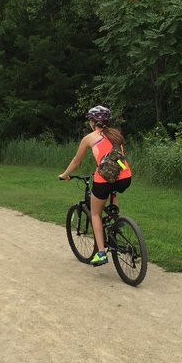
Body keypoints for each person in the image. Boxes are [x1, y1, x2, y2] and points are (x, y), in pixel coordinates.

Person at [59, 105, 132, 266]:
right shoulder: (116, 135)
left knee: (95, 214)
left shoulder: (89, 138)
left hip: (104, 180)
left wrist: (65, 175)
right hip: (125, 177)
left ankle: (100, 253)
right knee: (112, 189)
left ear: (93, 122)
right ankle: (115, 220)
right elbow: (117, 159)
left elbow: (76, 161)